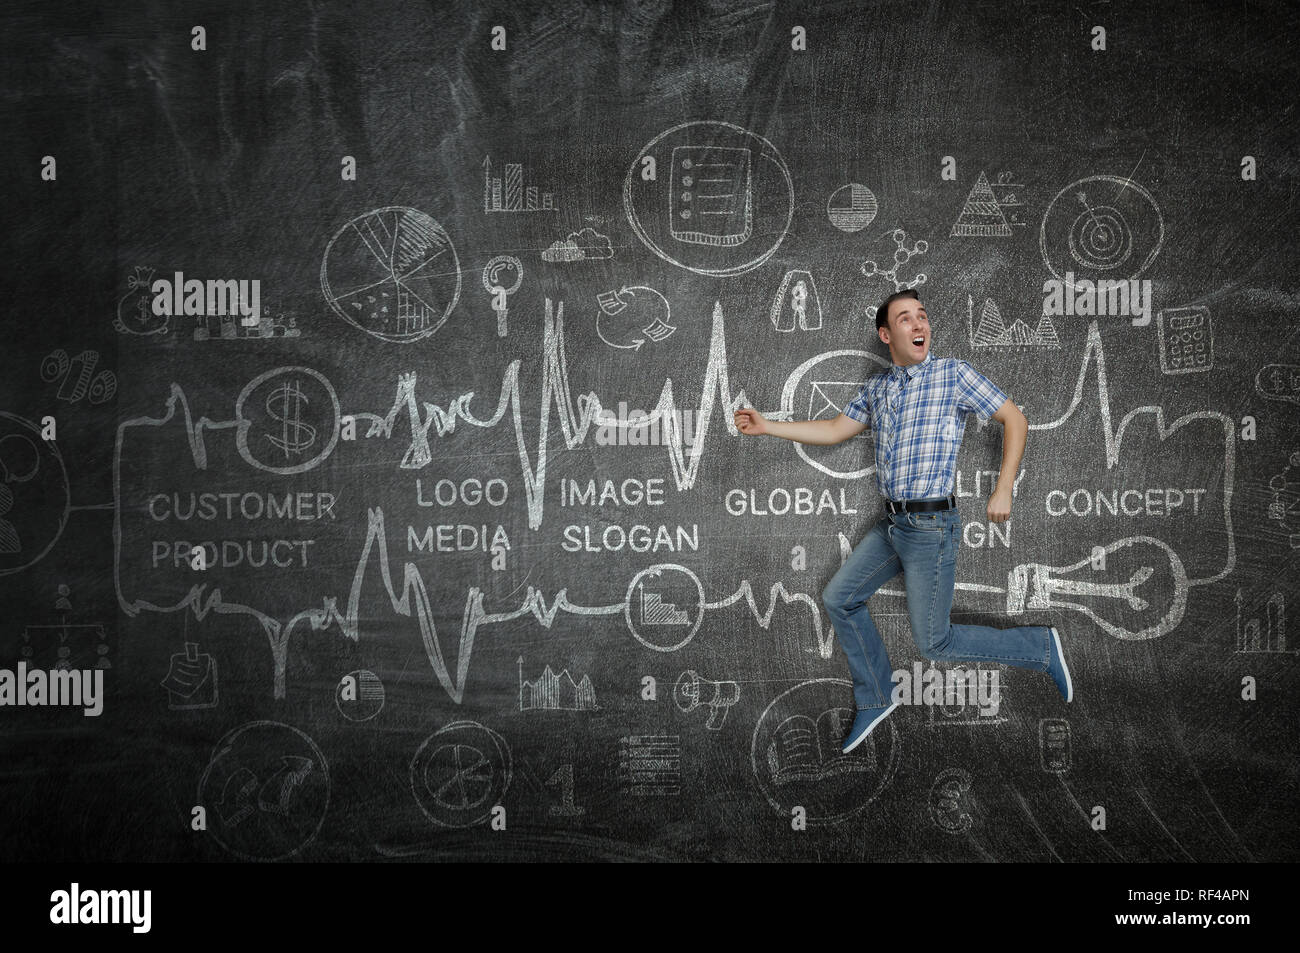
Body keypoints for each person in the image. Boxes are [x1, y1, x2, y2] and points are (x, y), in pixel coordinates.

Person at [734, 289, 1072, 753]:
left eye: (923, 317)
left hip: (932, 528)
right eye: (905, 319)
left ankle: (1041, 648)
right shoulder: (878, 389)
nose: (918, 326)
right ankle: (876, 696)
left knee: (935, 643)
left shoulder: (952, 375)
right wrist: (768, 425)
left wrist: (1005, 485)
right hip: (892, 526)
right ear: (885, 334)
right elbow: (834, 430)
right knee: (839, 598)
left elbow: (1014, 418)